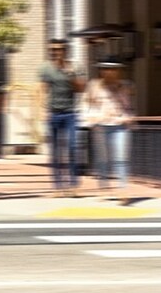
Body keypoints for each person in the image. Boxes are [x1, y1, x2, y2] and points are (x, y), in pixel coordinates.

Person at [80, 62, 135, 191]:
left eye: (113, 69)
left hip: (120, 125)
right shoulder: (93, 86)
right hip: (101, 125)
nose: (109, 72)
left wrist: (130, 116)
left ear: (118, 71)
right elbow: (85, 103)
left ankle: (123, 189)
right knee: (102, 159)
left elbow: (130, 105)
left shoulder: (126, 86)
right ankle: (104, 187)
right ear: (101, 71)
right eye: (105, 69)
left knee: (121, 158)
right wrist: (89, 119)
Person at [39, 41, 82, 191]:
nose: (56, 52)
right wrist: (43, 110)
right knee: (56, 150)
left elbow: (81, 89)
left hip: (70, 113)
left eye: (59, 49)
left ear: (65, 51)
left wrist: (70, 74)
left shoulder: (74, 67)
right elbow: (42, 90)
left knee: (72, 147)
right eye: (53, 50)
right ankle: (58, 185)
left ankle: (73, 183)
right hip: (53, 113)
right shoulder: (45, 68)